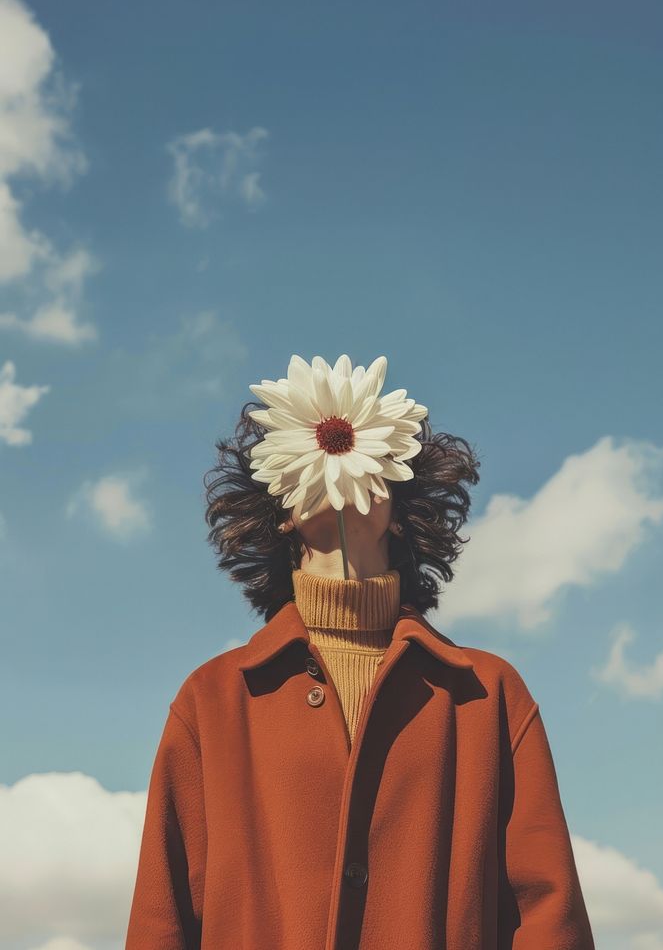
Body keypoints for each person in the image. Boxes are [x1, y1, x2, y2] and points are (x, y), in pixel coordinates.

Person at [125, 406, 595, 949]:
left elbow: (548, 914)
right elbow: (162, 917)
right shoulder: (211, 700)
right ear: (281, 509)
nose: (336, 470)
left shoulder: (488, 694)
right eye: (303, 464)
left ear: (399, 509)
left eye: (376, 461)